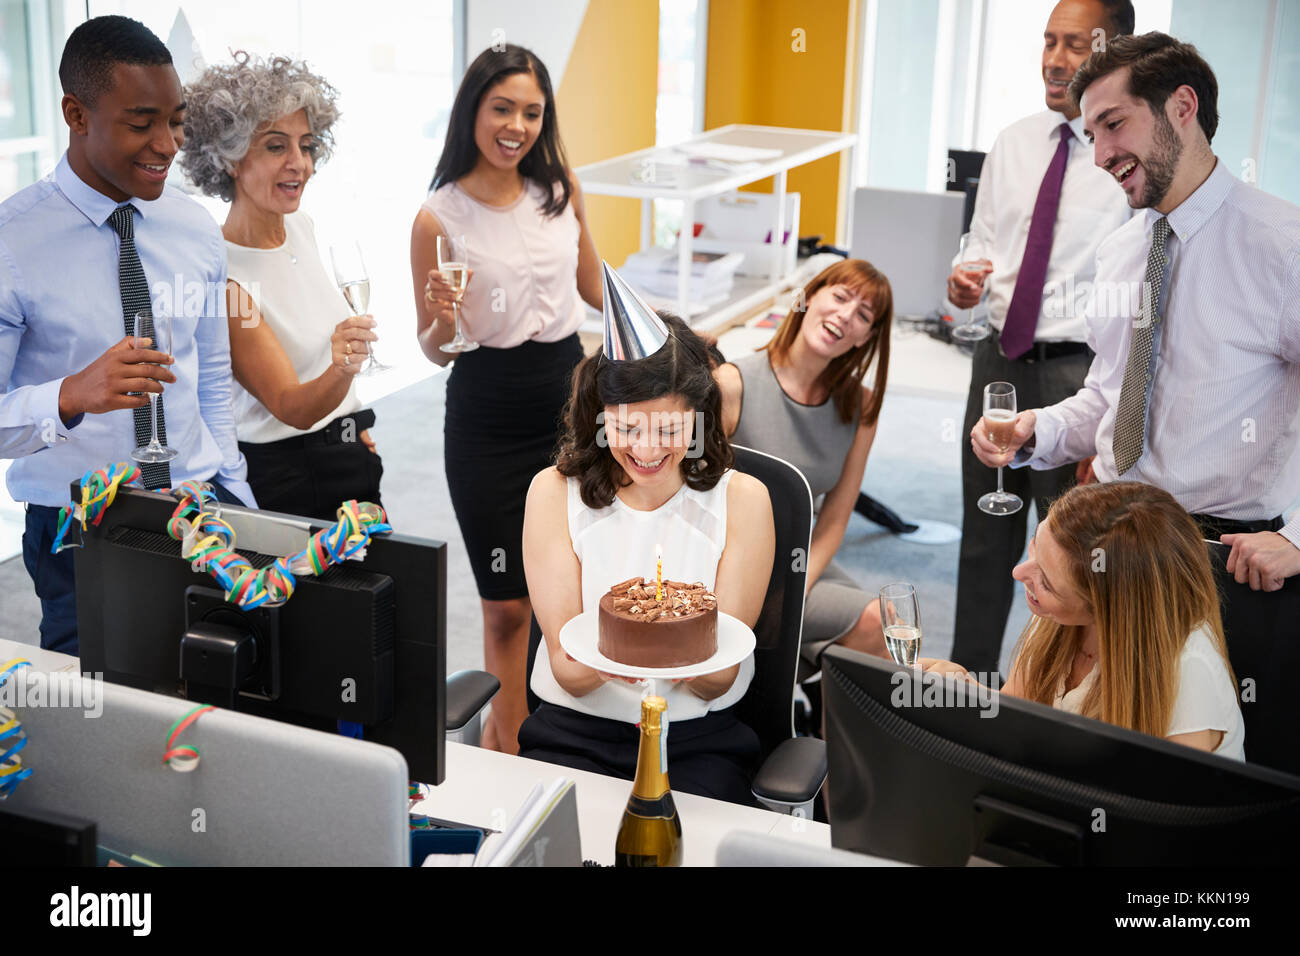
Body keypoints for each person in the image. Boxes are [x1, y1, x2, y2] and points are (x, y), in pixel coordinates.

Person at [976, 31, 1300, 768]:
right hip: (1114, 556)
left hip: (1229, 561)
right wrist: (1037, 430)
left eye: (1114, 124)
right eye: (1089, 132)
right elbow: (1109, 395)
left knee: (1215, 785)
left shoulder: (1283, 247)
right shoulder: (1126, 249)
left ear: (1181, 108)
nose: (1098, 153)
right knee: (1083, 755)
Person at [0, 16, 252, 655]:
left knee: (221, 712)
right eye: (142, 123)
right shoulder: (12, 242)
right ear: (76, 114)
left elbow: (212, 376)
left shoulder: (195, 228)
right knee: (97, 729)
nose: (167, 144)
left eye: (176, 120)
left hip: (203, 509)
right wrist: (71, 395)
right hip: (77, 527)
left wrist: (232, 488)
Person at [410, 44, 601, 754]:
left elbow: (592, 287)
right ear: (474, 113)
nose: (516, 124)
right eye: (502, 108)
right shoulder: (438, 216)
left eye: (531, 111)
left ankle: (558, 732)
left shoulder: (560, 191)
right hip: (486, 416)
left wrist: (664, 328)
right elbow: (435, 347)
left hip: (565, 404)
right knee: (506, 607)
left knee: (566, 591)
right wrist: (438, 316)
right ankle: (510, 746)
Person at [519, 295, 775, 805]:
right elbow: (569, 673)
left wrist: (623, 641)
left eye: (671, 429)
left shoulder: (743, 501)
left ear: (700, 419)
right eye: (627, 427)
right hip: (575, 733)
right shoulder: (552, 493)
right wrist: (666, 638)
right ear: (599, 414)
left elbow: (716, 680)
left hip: (697, 744)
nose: (648, 449)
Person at [949, 0, 1135, 679]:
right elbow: (985, 240)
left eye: (1074, 44)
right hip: (999, 357)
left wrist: (1110, 416)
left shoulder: (1127, 159)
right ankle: (970, 686)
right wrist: (964, 280)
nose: (1055, 59)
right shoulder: (1014, 140)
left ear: (1114, 50)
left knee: (1070, 553)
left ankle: (1057, 696)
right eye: (1048, 42)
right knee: (985, 533)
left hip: (1077, 374)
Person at [180, 54, 382, 523]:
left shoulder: (302, 227)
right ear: (229, 158)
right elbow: (292, 406)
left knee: (379, 592)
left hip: (346, 453)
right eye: (276, 147)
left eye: (306, 145)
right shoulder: (224, 277)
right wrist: (344, 371)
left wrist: (349, 424)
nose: (300, 164)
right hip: (287, 477)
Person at [924, 482, 1244, 758]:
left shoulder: (1190, 673)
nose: (1018, 572)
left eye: (1047, 582)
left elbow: (1166, 815)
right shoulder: (1058, 617)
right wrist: (967, 696)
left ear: (1106, 609)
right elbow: (1015, 716)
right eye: (1035, 547)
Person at [715, 258, 892, 668]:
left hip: (802, 560)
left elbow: (834, 518)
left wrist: (799, 585)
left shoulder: (862, 406)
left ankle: (823, 733)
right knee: (874, 626)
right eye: (841, 297)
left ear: (866, 337)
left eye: (863, 315)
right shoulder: (732, 383)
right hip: (731, 563)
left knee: (887, 626)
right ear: (808, 297)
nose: (846, 316)